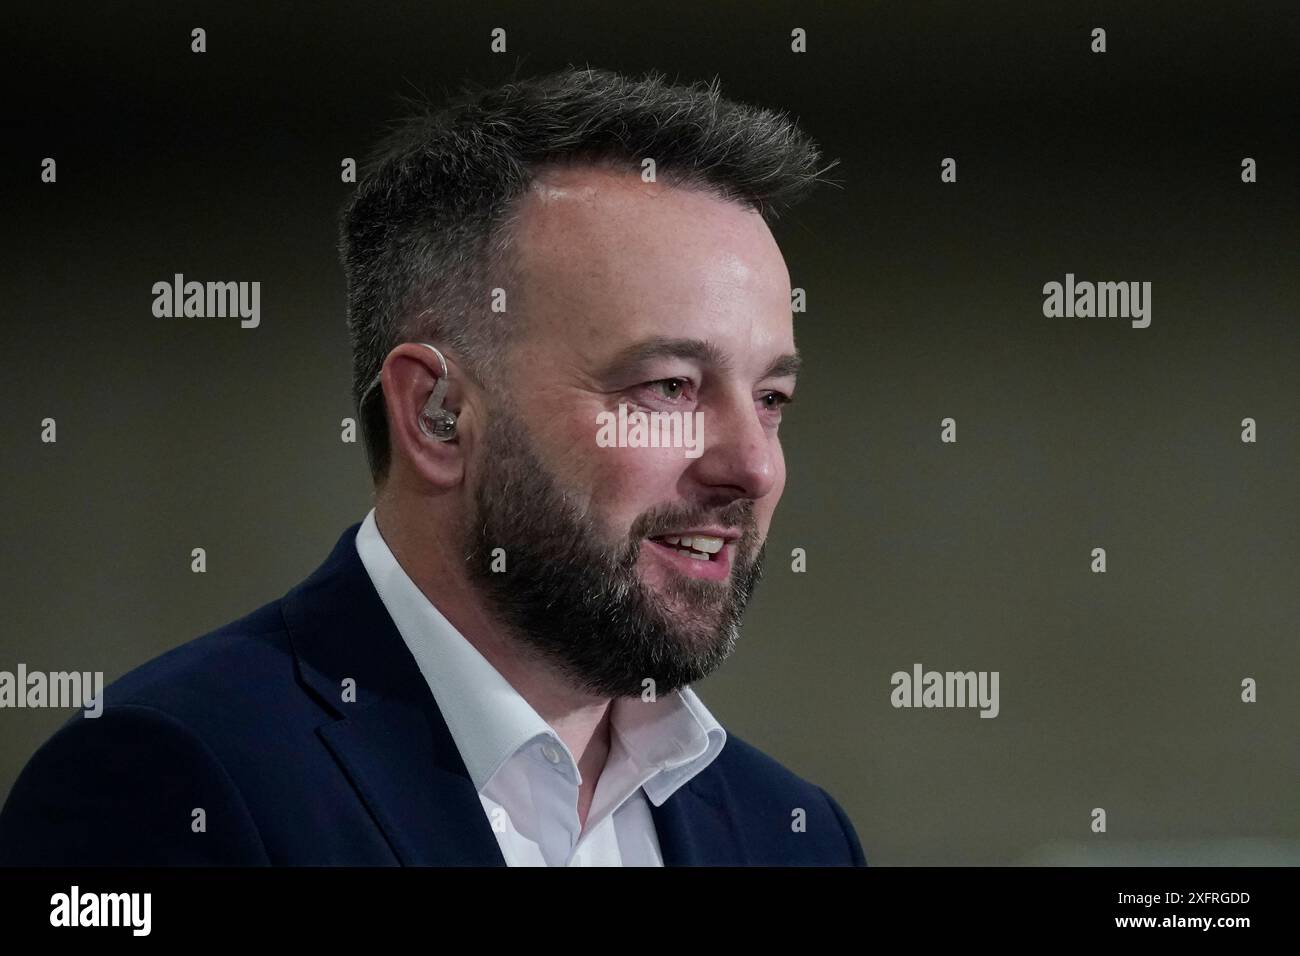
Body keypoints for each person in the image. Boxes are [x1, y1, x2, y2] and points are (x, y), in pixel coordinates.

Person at [0, 66, 865, 866]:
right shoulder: (168, 781)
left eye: (771, 399)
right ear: (436, 415)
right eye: (669, 386)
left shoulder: (793, 835)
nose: (753, 466)